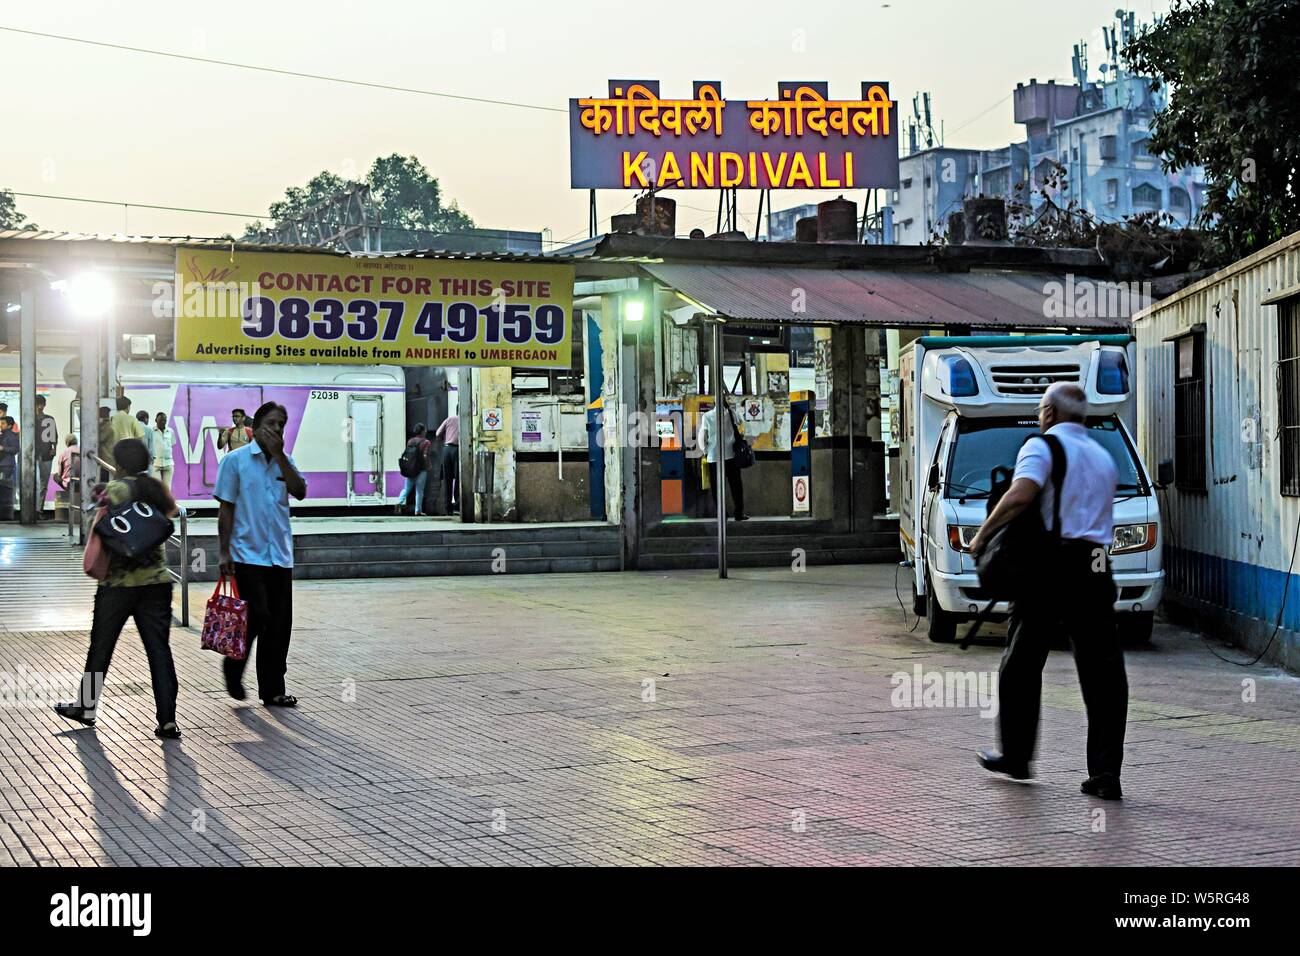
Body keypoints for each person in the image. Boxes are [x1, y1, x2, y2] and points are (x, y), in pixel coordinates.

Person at [968, 383, 1128, 801]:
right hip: (1095, 565)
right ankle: (1106, 774)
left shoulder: (1041, 447)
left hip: (1050, 566)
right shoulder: (1103, 457)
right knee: (1104, 673)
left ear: (1050, 414)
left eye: (1041, 409)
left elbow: (1021, 494)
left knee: (1020, 664)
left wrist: (984, 535)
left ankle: (1017, 757)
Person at [54, 438, 182, 739]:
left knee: (101, 646)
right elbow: (169, 516)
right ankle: (167, 720)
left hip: (118, 584)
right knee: (159, 651)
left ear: (119, 463)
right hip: (156, 582)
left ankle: (86, 707)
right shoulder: (155, 488)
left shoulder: (113, 490)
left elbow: (100, 529)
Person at [214, 401, 307, 707]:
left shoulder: (285, 461)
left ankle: (273, 689)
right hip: (246, 554)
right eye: (271, 423)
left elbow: (300, 491)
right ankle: (234, 667)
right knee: (256, 616)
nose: (277, 429)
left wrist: (279, 455)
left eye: (281, 424)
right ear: (256, 426)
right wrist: (223, 552)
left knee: (280, 624)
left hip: (279, 554)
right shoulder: (235, 461)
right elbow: (226, 507)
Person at [697, 397, 748, 521]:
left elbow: (702, 436)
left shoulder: (707, 416)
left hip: (714, 457)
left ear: (713, 404)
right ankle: (739, 513)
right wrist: (732, 408)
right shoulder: (731, 413)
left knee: (717, 488)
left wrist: (705, 451)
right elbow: (741, 422)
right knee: (736, 486)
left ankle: (722, 514)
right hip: (731, 455)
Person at [396, 423, 432, 517]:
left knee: (406, 489)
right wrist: (428, 466)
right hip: (421, 469)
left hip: (411, 468)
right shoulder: (426, 442)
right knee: (419, 490)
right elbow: (425, 456)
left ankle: (398, 503)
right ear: (423, 431)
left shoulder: (410, 441)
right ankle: (418, 511)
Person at [35, 395, 58, 519]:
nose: (39, 407)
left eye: (41, 404)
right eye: (37, 404)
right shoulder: (49, 419)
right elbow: (55, 437)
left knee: (42, 483)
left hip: (43, 454)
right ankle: (37, 510)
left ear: (44, 405)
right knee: (41, 483)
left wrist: (53, 448)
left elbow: (54, 436)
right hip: (44, 454)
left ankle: (38, 510)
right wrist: (53, 448)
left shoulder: (30, 419)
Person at [434, 413, 459, 516]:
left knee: (447, 479)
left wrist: (443, 439)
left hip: (447, 449)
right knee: (458, 478)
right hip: (458, 450)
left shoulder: (449, 419)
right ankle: (457, 506)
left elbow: (437, 433)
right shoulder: (465, 420)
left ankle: (448, 509)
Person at [54, 433, 80, 512]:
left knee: (55, 476)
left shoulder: (64, 453)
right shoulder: (82, 450)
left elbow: (60, 474)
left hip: (69, 484)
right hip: (82, 482)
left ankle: (68, 493)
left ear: (67, 442)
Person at [151, 412, 174, 491]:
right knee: (157, 488)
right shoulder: (152, 431)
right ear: (156, 420)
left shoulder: (170, 431)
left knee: (167, 489)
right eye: (161, 420)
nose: (163, 422)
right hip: (156, 463)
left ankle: (166, 503)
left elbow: (173, 443)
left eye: (164, 420)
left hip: (168, 463)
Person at [0, 417, 17, 521]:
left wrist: (3, 448)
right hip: (2, 463)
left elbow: (15, 449)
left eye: (3, 423)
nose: (0, 425)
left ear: (9, 425)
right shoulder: (2, 436)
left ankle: (5, 510)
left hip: (7, 465)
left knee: (5, 487)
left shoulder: (13, 436)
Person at [96, 406, 114, 481]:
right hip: (105, 456)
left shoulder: (108, 426)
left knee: (104, 478)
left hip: (107, 456)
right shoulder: (106, 424)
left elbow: (100, 438)